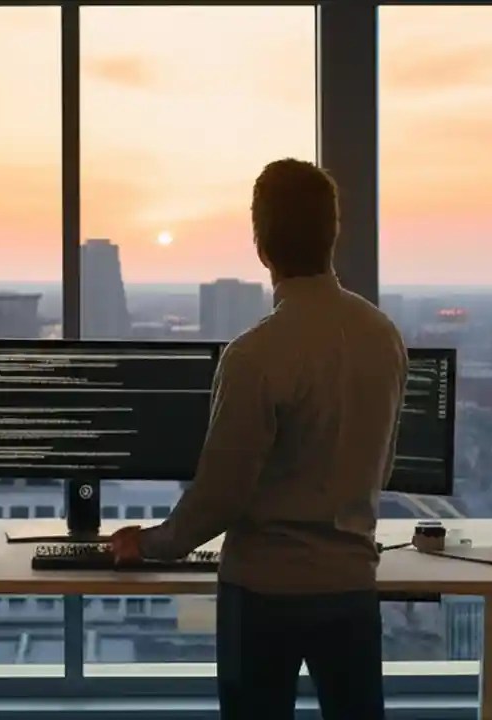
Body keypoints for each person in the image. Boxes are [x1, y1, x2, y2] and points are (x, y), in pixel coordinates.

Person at [110, 158, 408, 720]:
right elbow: (381, 465)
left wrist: (149, 543)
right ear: (333, 233)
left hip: (264, 595)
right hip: (350, 588)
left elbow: (221, 495)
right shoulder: (383, 336)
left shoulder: (255, 355)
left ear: (261, 244)